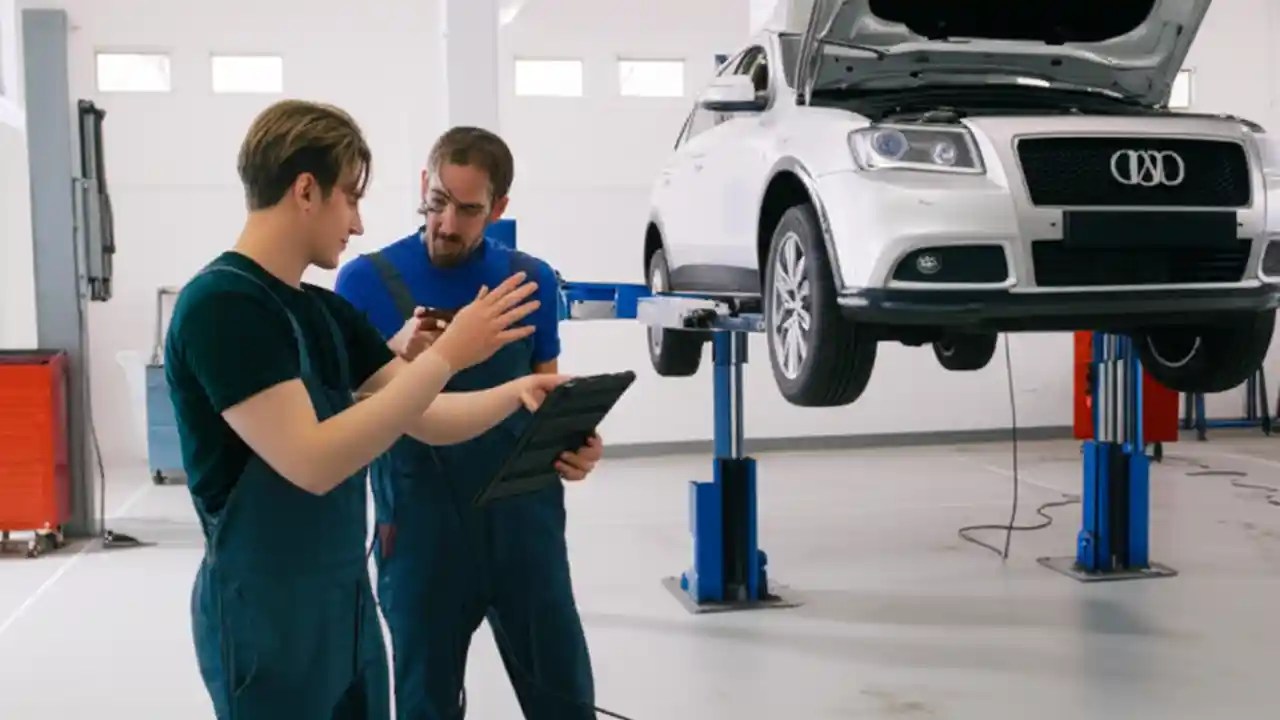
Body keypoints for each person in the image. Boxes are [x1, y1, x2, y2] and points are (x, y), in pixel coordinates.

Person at [164, 101, 571, 720]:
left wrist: (516, 395)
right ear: (306, 190)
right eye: (349, 199)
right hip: (265, 621)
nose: (357, 224)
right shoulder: (223, 307)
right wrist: (450, 355)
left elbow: (425, 416)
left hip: (345, 612)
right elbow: (313, 459)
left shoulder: (325, 314)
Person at [334, 126, 602, 719]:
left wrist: (575, 447)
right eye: (438, 203)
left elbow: (545, 396)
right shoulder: (364, 284)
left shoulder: (529, 281)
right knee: (425, 705)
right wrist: (395, 351)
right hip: (420, 535)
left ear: (499, 208)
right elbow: (347, 416)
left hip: (525, 528)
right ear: (424, 186)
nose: (448, 224)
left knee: (565, 701)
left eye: (469, 209)